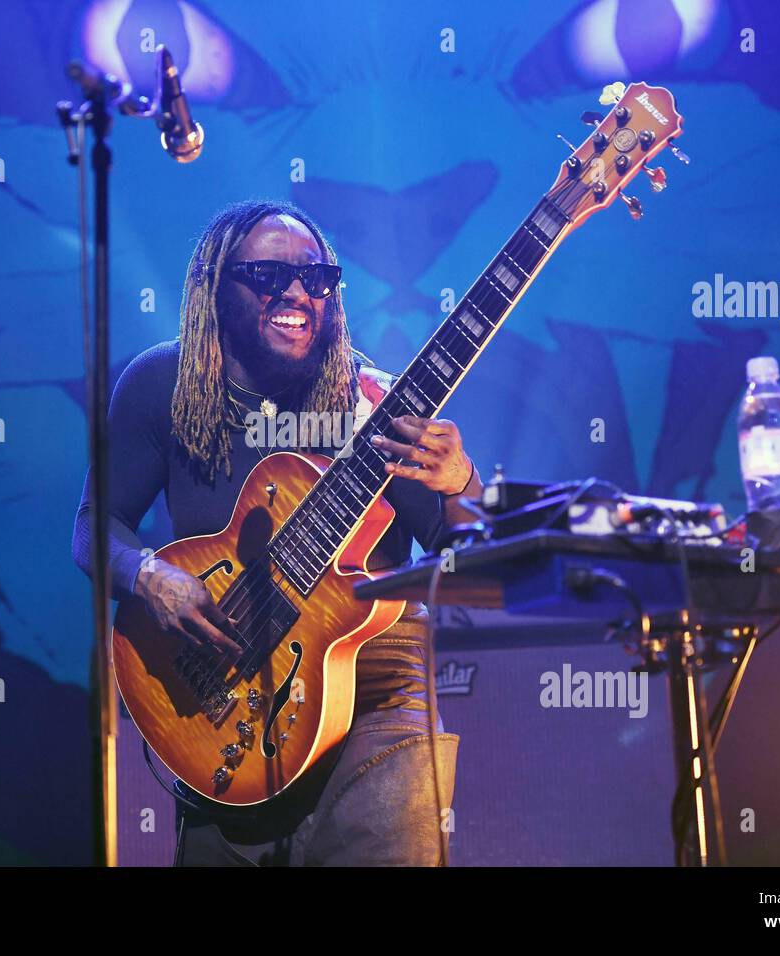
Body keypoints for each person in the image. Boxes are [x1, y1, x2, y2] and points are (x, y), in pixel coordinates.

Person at [73, 199, 482, 865]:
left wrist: (462, 483)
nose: (297, 293)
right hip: (218, 703)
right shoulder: (160, 385)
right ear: (214, 284)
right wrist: (148, 577)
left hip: (373, 701)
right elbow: (95, 526)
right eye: (269, 276)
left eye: (317, 279)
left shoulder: (373, 401)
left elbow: (467, 560)